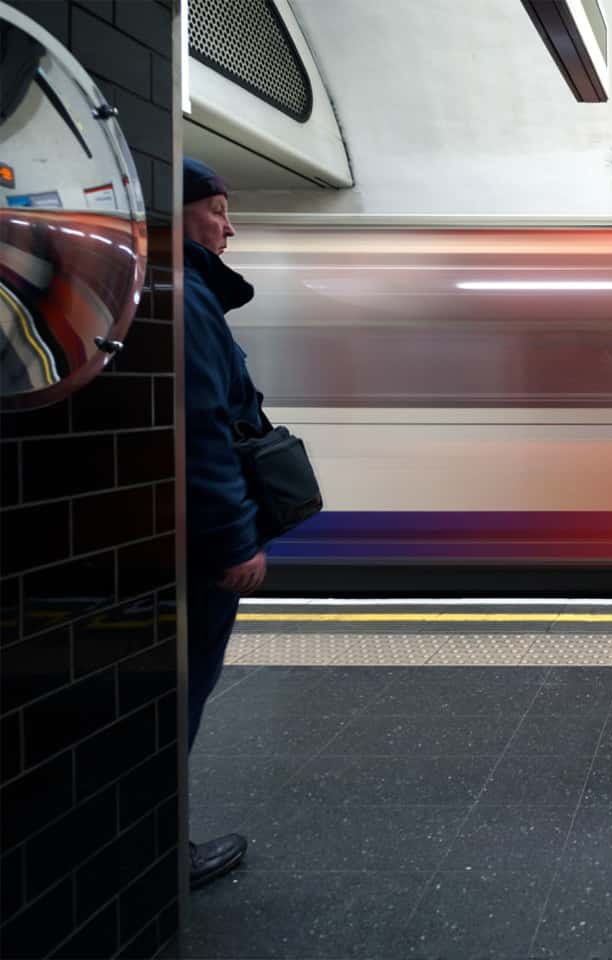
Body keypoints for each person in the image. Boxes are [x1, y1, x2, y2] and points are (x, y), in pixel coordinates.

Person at [181, 156, 263, 889]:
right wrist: (237, 537)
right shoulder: (187, 295)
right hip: (198, 547)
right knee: (182, 686)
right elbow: (203, 426)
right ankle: (156, 849)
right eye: (217, 210)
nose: (227, 227)